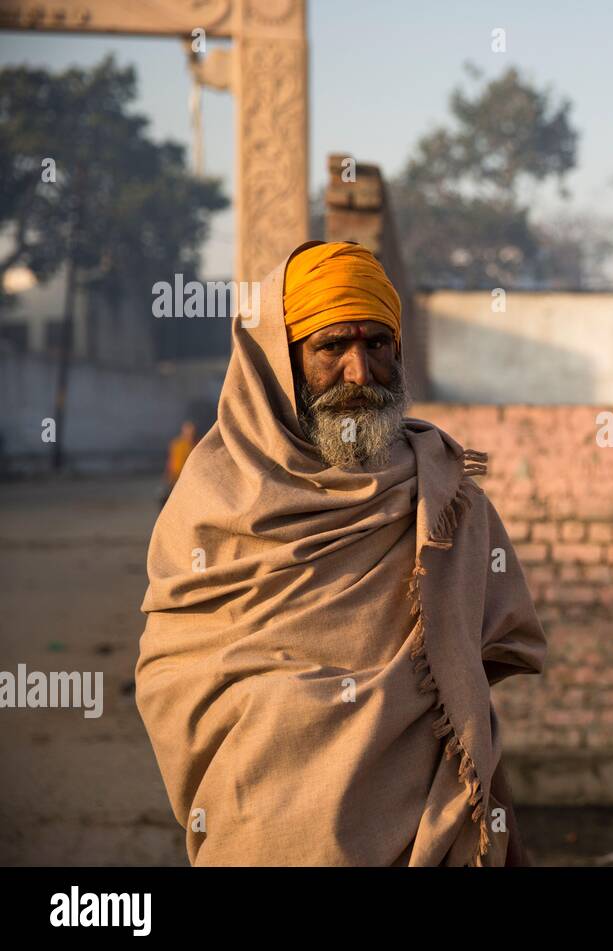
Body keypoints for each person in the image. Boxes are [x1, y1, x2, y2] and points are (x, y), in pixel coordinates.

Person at [135, 240, 546, 866]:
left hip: (433, 834)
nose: (360, 373)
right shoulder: (211, 501)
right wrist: (291, 709)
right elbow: (175, 683)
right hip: (270, 832)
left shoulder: (443, 492)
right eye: (332, 347)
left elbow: (477, 678)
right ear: (280, 361)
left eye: (376, 344)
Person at [159, 420, 196, 507]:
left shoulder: (197, 445)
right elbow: (171, 461)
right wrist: (167, 476)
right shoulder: (176, 444)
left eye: (192, 432)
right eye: (188, 432)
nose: (190, 435)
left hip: (189, 479)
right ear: (183, 432)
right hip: (175, 477)